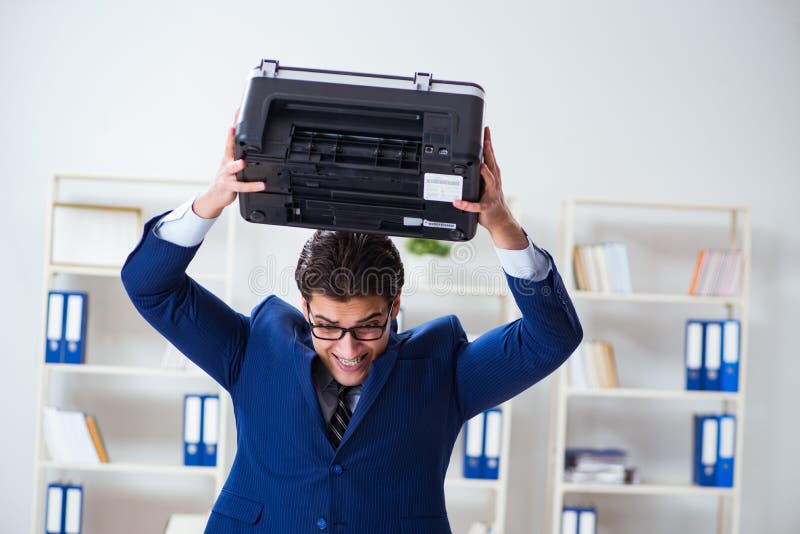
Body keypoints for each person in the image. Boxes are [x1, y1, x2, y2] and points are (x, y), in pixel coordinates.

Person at [121, 114, 583, 533]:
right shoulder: (252, 350)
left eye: (367, 327)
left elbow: (552, 337)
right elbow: (149, 285)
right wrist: (211, 201)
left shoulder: (443, 372)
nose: (348, 349)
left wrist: (502, 225)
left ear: (395, 306)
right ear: (305, 309)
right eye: (327, 326)